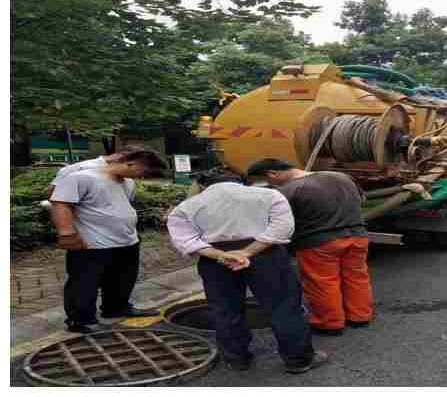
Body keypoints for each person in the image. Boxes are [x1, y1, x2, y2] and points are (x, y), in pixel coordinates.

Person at [166, 168, 328, 374]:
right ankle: (299, 359)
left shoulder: (187, 206)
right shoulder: (269, 195)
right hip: (266, 254)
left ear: (204, 185)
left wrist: (221, 255)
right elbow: (282, 228)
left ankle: (236, 359)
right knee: (283, 306)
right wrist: (246, 252)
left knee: (225, 309)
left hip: (215, 261)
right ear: (243, 181)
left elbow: (184, 239)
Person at [247, 159, 373, 336]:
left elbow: (280, 221)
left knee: (322, 282)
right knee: (356, 276)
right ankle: (360, 317)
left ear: (273, 174)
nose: (270, 186)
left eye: (268, 182)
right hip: (358, 236)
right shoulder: (342, 177)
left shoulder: (289, 191)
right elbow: (362, 199)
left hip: (319, 242)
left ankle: (330, 324)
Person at [49, 151, 169, 333]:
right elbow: (61, 204)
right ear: (131, 163)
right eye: (144, 172)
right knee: (84, 282)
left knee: (122, 279)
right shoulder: (81, 177)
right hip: (93, 242)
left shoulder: (128, 183)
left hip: (127, 240)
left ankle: (116, 308)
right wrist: (67, 233)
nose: (143, 177)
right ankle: (81, 320)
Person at [45, 144, 150, 201]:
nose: (141, 174)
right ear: (122, 157)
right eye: (142, 166)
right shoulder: (79, 169)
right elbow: (54, 197)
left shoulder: (128, 179)